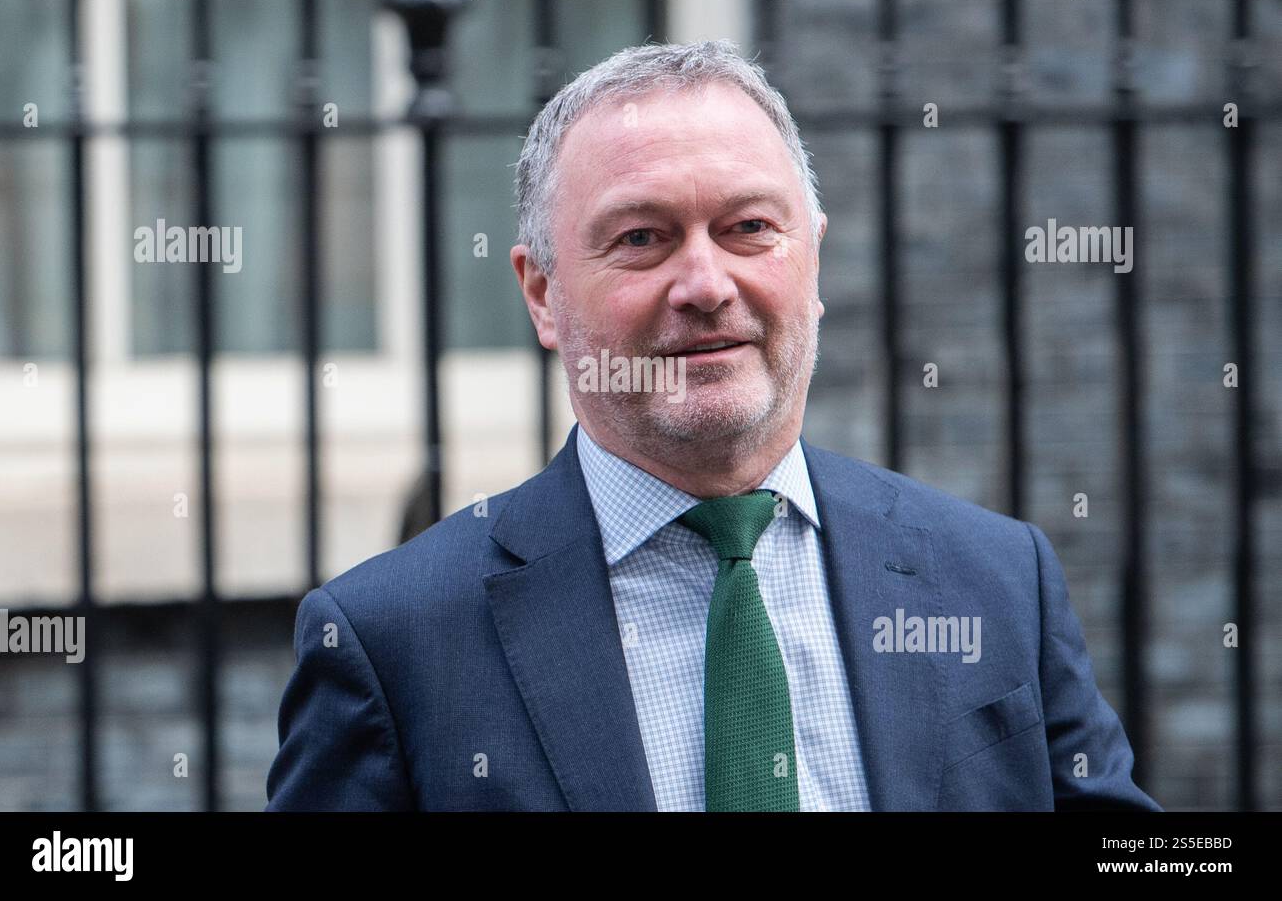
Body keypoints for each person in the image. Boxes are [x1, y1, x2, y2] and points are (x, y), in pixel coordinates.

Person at [266, 39, 1160, 811]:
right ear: (542, 293)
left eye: (748, 228)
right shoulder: (393, 643)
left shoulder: (996, 581)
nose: (705, 284)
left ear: (813, 257)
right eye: (642, 239)